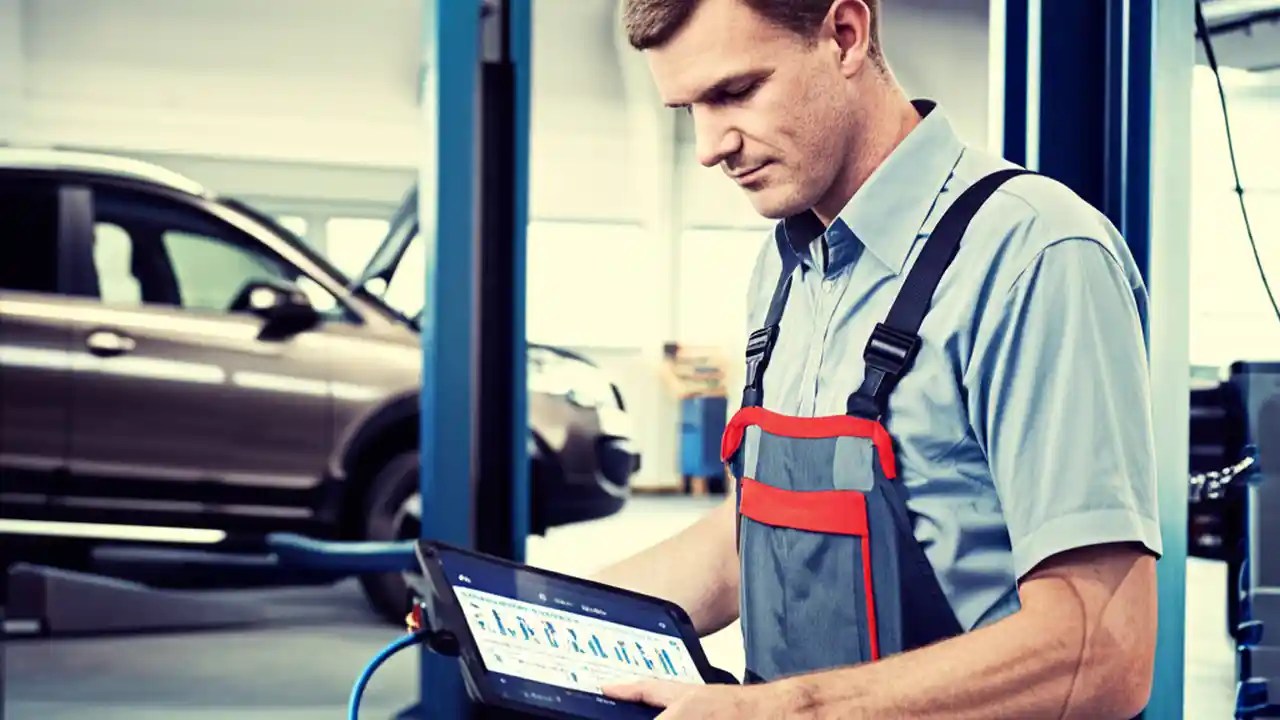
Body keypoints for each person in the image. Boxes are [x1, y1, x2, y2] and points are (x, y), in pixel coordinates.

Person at [594, 0, 1162, 717]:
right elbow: (764, 530)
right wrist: (547, 612)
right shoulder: (786, 270)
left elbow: (1103, 652)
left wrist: (787, 711)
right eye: (687, 110)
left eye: (735, 93)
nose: (709, 147)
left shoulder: (1034, 256)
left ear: (845, 34)